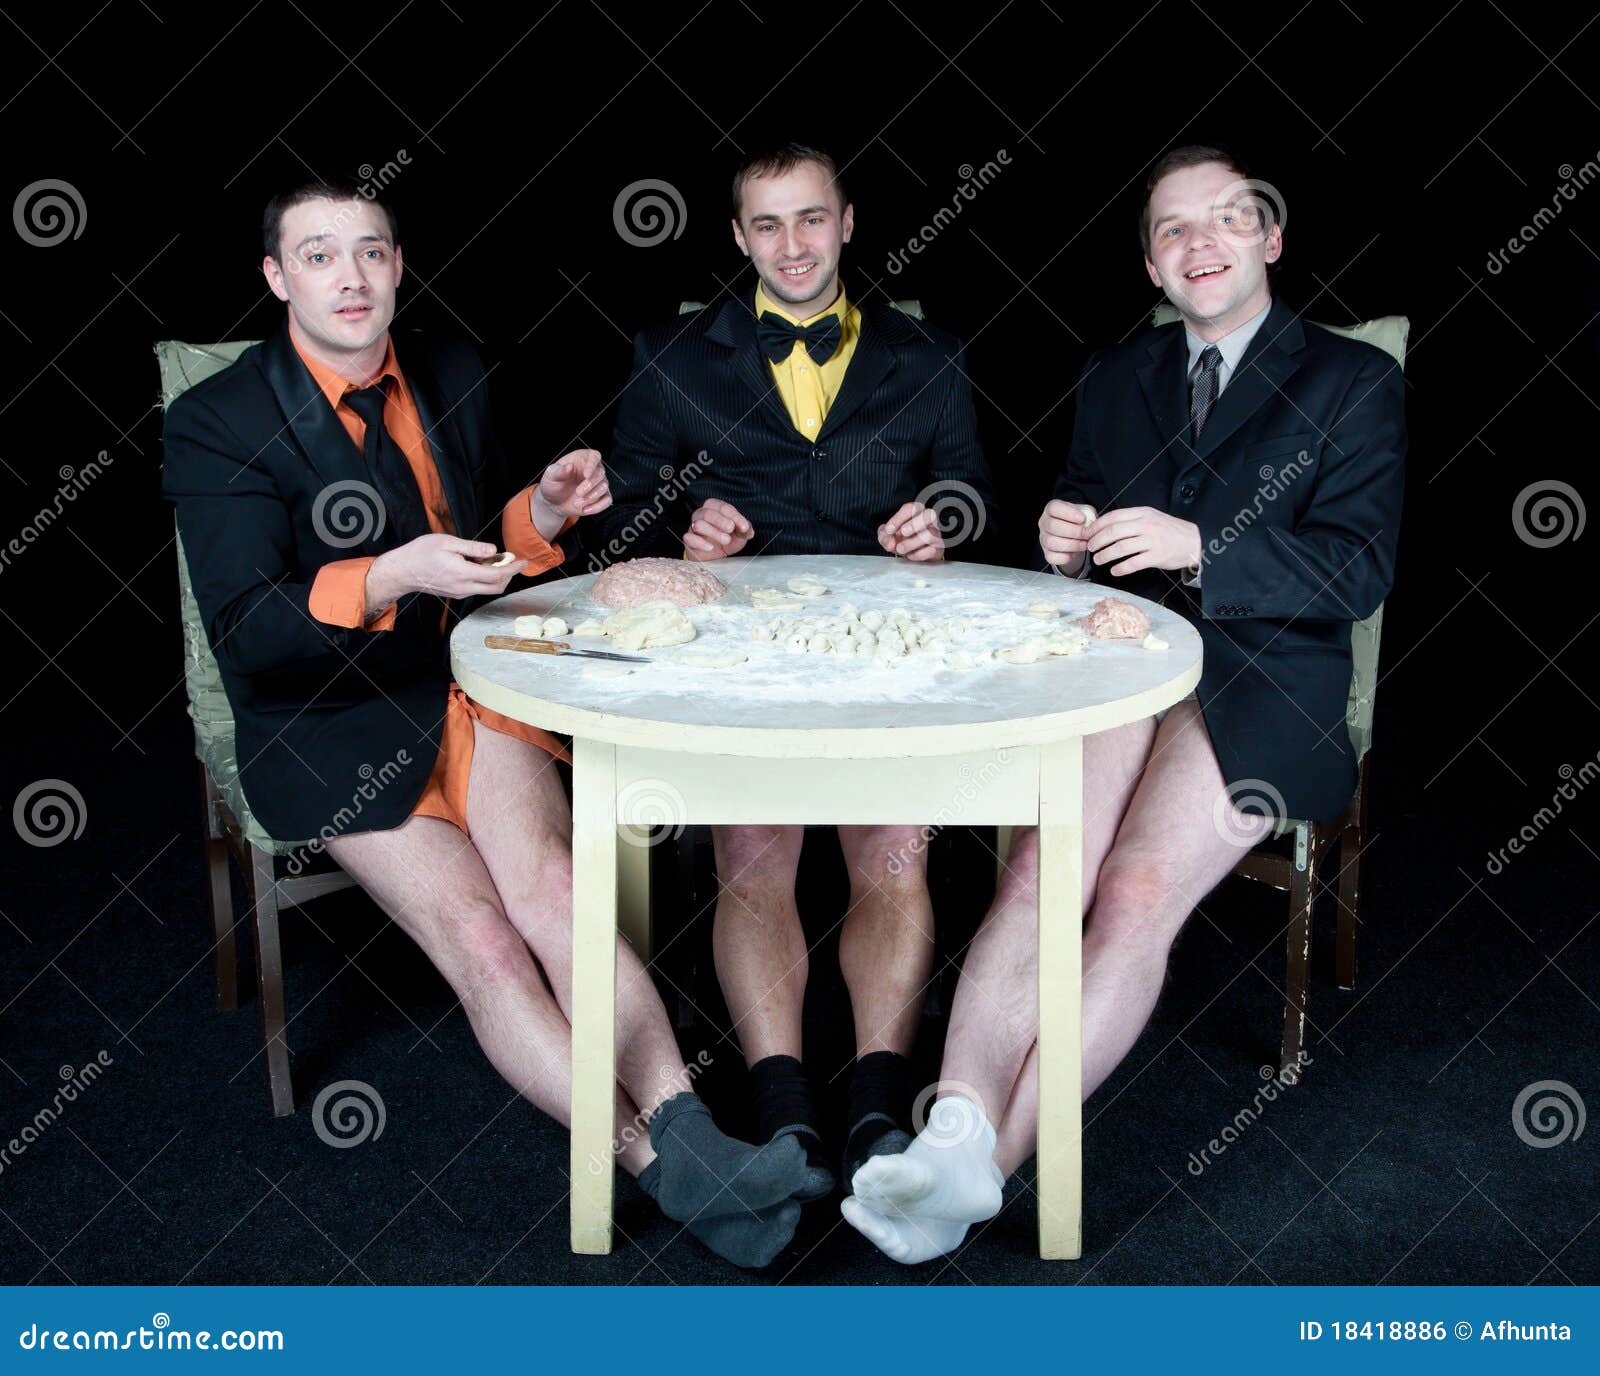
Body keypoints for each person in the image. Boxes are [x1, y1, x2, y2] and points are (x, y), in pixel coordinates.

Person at [162, 180, 827, 1268]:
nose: (352, 277)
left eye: (370, 252)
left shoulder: (452, 369)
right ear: (278, 278)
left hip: (468, 681)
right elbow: (247, 630)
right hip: (322, 722)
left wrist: (544, 513)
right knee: (480, 939)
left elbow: (483, 553)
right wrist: (386, 573)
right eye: (320, 256)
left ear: (398, 263)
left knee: (556, 891)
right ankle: (656, 1164)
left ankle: (688, 1123)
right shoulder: (216, 420)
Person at [843, 144, 1407, 1263]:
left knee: (1136, 891)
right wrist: (1064, 539)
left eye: (1225, 220)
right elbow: (1085, 525)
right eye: (1173, 229)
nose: (1200, 243)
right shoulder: (1116, 374)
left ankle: (978, 1169)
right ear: (1151, 260)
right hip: (1120, 666)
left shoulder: (1355, 379)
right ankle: (951, 1121)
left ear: (1270, 238)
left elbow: (1359, 570)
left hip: (1271, 688)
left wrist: (1205, 548)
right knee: (1042, 871)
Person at [591, 143, 996, 1191]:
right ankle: (784, 1116)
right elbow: (614, 523)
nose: (793, 244)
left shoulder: (931, 354)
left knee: (893, 854)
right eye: (767, 225)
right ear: (737, 238)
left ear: (849, 222)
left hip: (885, 655)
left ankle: (872, 1109)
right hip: (738, 660)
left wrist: (939, 520)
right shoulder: (669, 355)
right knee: (755, 861)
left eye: (810, 219)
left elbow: (973, 490)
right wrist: (681, 525)